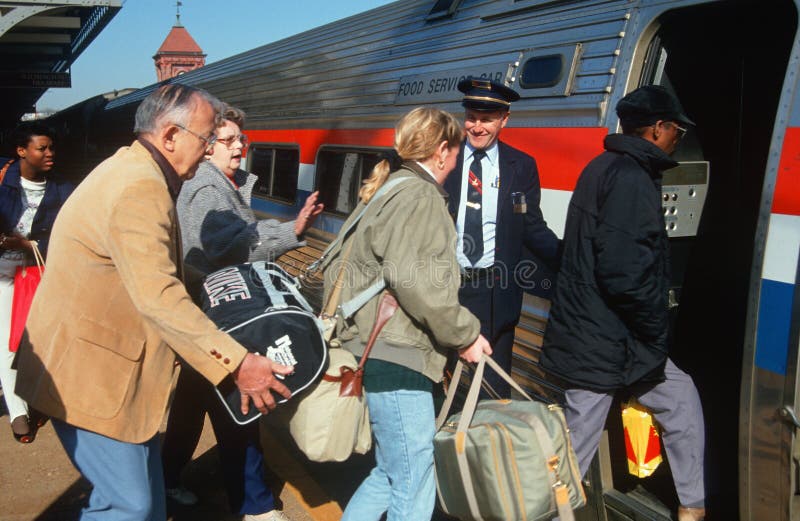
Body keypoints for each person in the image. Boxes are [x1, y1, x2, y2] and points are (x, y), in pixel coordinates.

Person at [15, 84, 294, 521]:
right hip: (90, 376)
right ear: (169, 136)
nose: (206, 152)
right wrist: (237, 363)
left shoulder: (133, 171)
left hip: (104, 371)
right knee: (129, 506)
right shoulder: (138, 188)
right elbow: (159, 295)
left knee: (147, 501)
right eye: (205, 139)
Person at [540, 85, 706, 521]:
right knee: (575, 452)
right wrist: (657, 328)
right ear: (658, 128)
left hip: (609, 338)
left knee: (680, 397)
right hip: (603, 340)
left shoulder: (603, 167)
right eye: (678, 130)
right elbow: (625, 274)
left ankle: (693, 506)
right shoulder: (631, 179)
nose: (679, 138)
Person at [321, 107, 492, 521]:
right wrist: (465, 335)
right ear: (441, 150)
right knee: (414, 481)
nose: (456, 161)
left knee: (390, 473)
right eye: (456, 151)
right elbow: (416, 281)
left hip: (377, 350)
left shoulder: (391, 187)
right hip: (399, 356)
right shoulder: (420, 196)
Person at [161, 104, 323, 521]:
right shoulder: (208, 191)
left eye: (241, 140)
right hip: (219, 316)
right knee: (240, 405)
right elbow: (231, 246)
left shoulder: (219, 184)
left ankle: (165, 477)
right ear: (208, 146)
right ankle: (254, 505)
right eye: (229, 140)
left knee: (193, 403)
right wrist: (292, 232)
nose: (240, 148)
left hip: (208, 313)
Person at [443, 78, 561, 397]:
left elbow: (532, 226)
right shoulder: (443, 158)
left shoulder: (521, 166)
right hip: (444, 288)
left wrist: (570, 259)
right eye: (471, 117)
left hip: (493, 294)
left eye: (487, 119)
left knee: (492, 396)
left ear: (504, 119)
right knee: (437, 386)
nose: (477, 127)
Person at [0, 122, 73, 443]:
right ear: (21, 151)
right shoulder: (3, 184)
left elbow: (69, 232)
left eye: (51, 148)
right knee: (9, 338)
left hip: (42, 268)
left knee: (43, 336)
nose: (49, 154)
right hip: (5, 268)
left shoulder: (61, 188)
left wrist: (31, 246)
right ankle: (17, 410)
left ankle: (38, 396)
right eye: (41, 148)